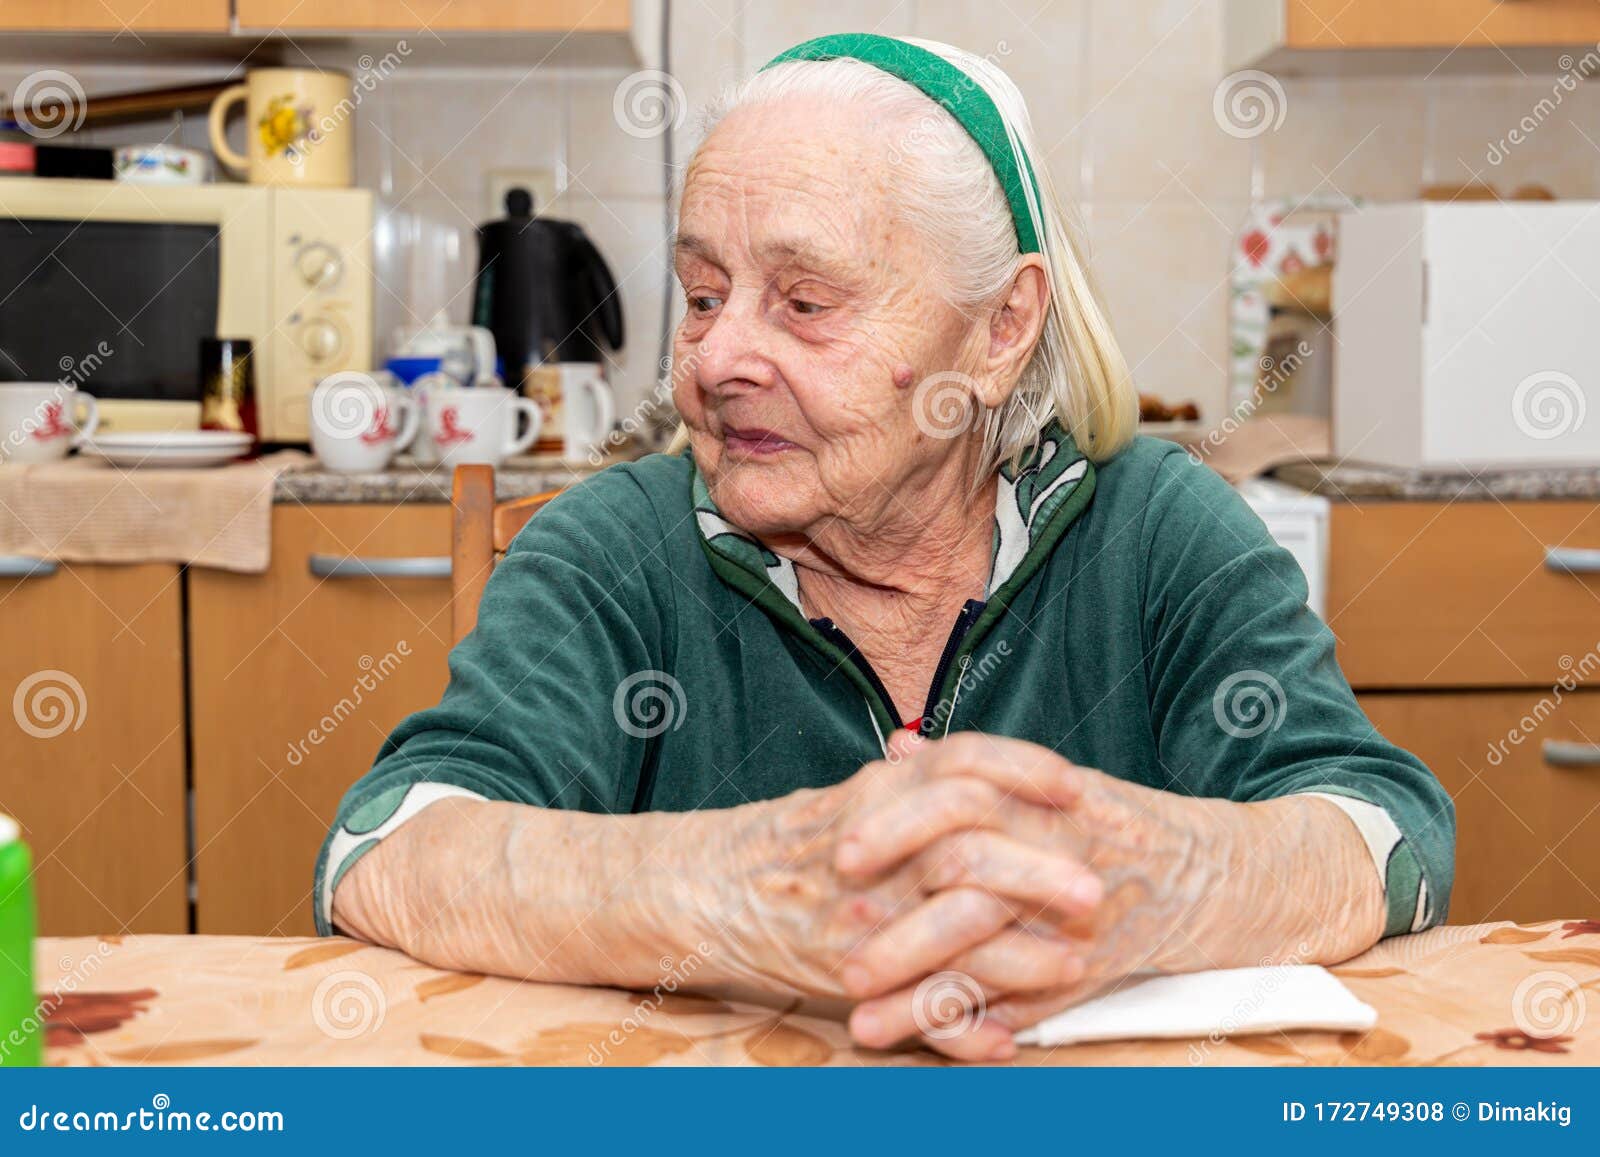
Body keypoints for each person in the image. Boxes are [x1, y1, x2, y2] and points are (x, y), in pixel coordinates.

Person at [318, 34, 1454, 1062]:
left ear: (1002, 328)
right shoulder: (613, 551)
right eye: (703, 294)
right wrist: (742, 887)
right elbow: (386, 848)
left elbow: (1385, 825)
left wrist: (1171, 877)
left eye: (805, 301)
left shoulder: (1155, 530)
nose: (715, 359)